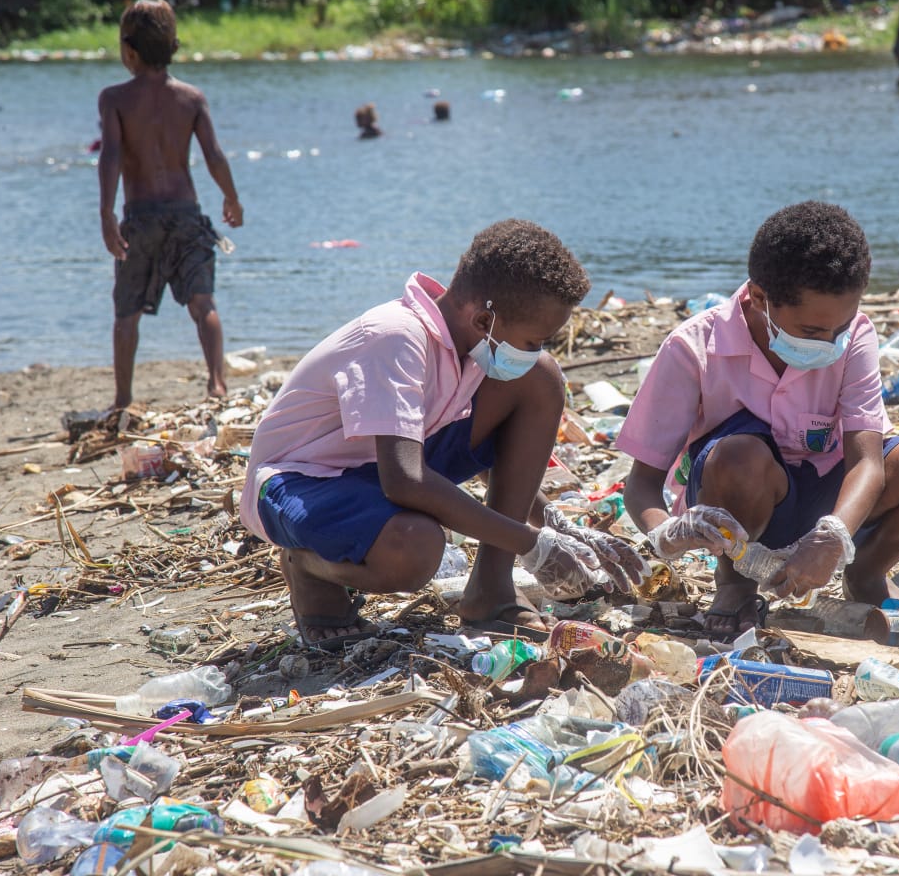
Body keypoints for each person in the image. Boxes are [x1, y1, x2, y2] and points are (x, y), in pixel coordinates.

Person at [239, 220, 646, 648]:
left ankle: (490, 590)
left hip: (375, 469)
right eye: (532, 340)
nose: (533, 351)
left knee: (540, 380)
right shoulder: (395, 336)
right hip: (299, 483)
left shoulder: (469, 345)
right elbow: (405, 479)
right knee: (415, 549)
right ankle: (307, 568)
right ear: (485, 318)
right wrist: (534, 544)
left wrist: (557, 524)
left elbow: (494, 461)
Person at [617, 201, 899, 635]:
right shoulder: (692, 348)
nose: (831, 341)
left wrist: (835, 536)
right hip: (738, 512)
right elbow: (641, 485)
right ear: (761, 297)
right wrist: (665, 532)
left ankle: (865, 571)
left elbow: (866, 461)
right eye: (812, 332)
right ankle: (735, 584)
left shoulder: (854, 334)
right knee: (740, 453)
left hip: (832, 498)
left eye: (840, 327)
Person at [97, 0, 243, 409]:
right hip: (186, 216)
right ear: (174, 46)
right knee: (202, 302)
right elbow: (214, 155)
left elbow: (110, 156)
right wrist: (232, 198)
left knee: (127, 314)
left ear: (129, 50)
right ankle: (217, 384)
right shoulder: (192, 97)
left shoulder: (114, 99)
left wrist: (107, 213)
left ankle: (123, 398)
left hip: (140, 218)